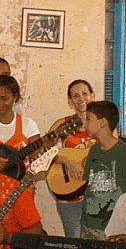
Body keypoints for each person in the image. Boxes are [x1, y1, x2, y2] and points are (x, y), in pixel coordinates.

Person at [77, 100, 126, 238]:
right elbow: (88, 185)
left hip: (112, 225)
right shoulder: (93, 151)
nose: (85, 124)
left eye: (89, 119)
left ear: (103, 122)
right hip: (88, 223)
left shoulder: (124, 153)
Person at [48, 79, 96, 237]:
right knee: (75, 243)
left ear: (93, 96)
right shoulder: (62, 124)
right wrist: (65, 160)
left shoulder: (103, 125)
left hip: (97, 197)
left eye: (85, 94)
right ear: (70, 101)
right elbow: (42, 152)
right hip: (70, 196)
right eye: (75, 95)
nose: (81, 98)